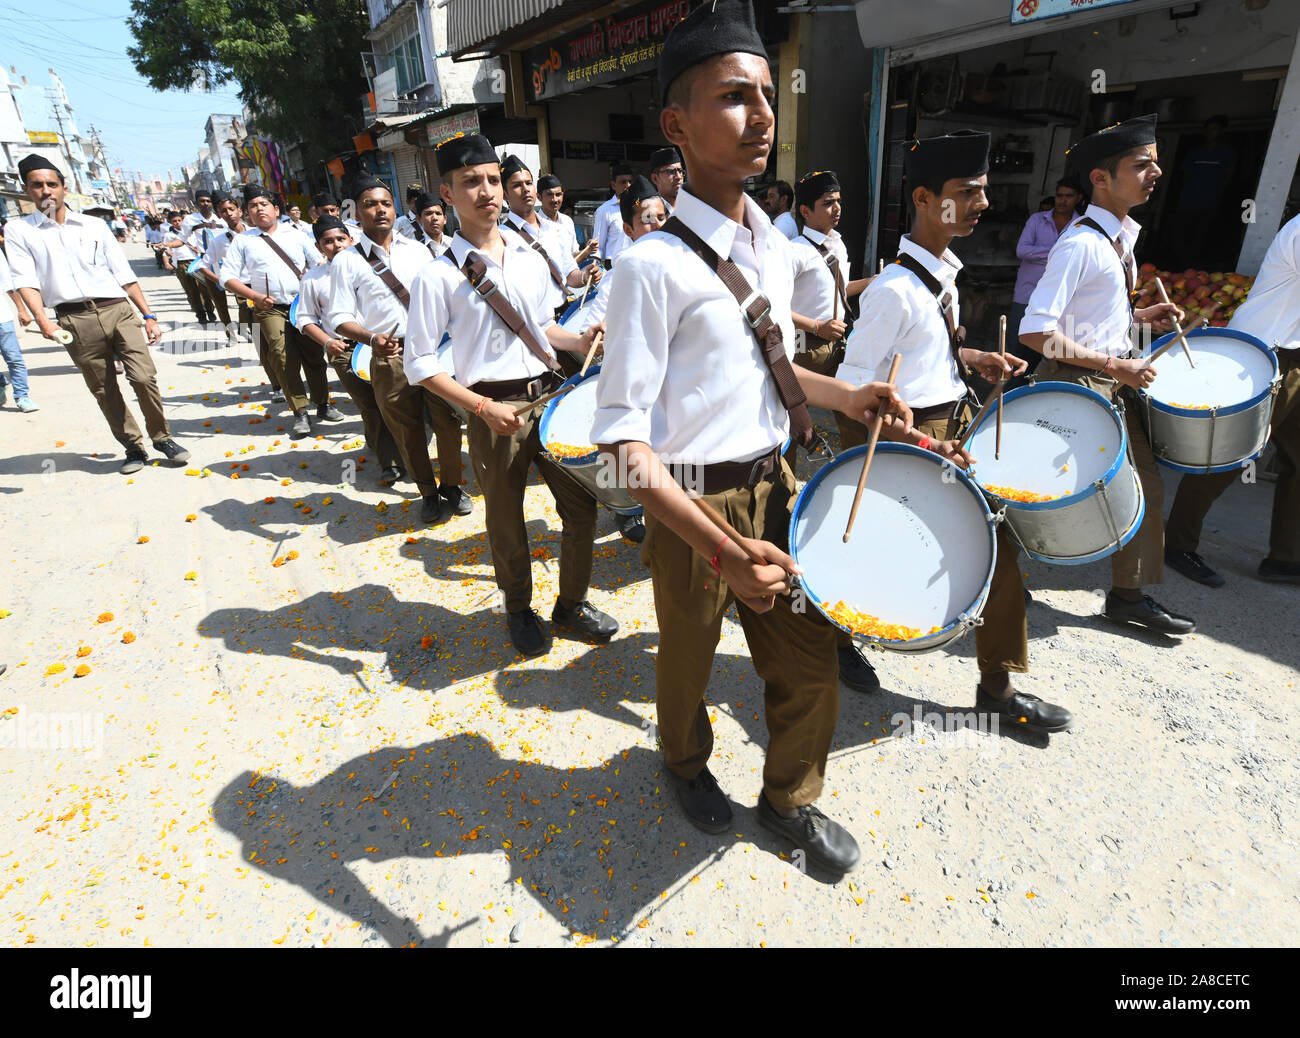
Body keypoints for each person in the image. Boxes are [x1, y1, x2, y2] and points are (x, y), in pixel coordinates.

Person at [591, 1, 913, 873]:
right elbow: (622, 445)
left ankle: (786, 803)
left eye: (768, 94)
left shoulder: (771, 245)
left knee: (809, 662)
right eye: (734, 97)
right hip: (690, 499)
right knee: (686, 663)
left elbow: (769, 372)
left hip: (775, 488)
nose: (762, 116)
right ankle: (685, 762)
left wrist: (849, 390)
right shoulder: (647, 268)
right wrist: (719, 548)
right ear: (677, 126)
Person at [839, 131, 1079, 734]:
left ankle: (995, 688)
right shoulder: (893, 290)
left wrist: (970, 358)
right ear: (925, 198)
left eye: (984, 191)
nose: (982, 203)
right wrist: (919, 441)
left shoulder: (941, 274)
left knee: (993, 553)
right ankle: (833, 633)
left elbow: (919, 353)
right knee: (874, 551)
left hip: (949, 427)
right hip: (906, 441)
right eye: (966, 192)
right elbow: (852, 392)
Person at [404, 132, 614, 658]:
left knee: (581, 506)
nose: (487, 191)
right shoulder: (437, 276)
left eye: (493, 180)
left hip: (549, 399)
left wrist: (581, 339)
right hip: (493, 408)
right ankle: (519, 608)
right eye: (470, 182)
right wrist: (480, 407)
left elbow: (544, 327)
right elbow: (420, 363)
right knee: (506, 516)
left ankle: (571, 605)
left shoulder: (525, 255)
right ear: (447, 194)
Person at [1019, 114, 1196, 635]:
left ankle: (1127, 596)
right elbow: (1036, 332)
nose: (1155, 173)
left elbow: (1093, 318)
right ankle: (996, 574)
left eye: (1157, 163)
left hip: (1109, 383)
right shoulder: (1081, 243)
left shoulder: (1120, 239)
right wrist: (1115, 363)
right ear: (1100, 177)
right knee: (1035, 493)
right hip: (1075, 384)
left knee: (1146, 488)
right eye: (1142, 165)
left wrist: (1140, 319)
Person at [7, 154, 188, 473]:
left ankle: (162, 437)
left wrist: (148, 315)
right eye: (37, 185)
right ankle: (134, 448)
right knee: (104, 388)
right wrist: (43, 320)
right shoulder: (19, 231)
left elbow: (123, 273)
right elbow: (25, 280)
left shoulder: (93, 225)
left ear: (64, 187)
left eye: (52, 184)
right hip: (73, 319)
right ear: (27, 190)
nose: (46, 191)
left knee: (144, 377)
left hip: (117, 309)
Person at [1164, 213, 1300, 587]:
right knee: (1229, 454)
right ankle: (1176, 544)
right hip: (1265, 358)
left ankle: (1286, 558)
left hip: (1294, 358)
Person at [329, 175, 467, 522]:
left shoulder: (418, 250)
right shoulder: (347, 261)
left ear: (396, 210)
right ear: (357, 213)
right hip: (388, 359)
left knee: (449, 423)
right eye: (370, 204)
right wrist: (371, 338)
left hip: (432, 353)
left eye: (385, 204)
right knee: (408, 431)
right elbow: (339, 317)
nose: (379, 210)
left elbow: (446, 298)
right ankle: (427, 492)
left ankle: (451, 485)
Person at [220, 183, 341, 436]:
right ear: (247, 213)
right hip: (269, 308)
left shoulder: (296, 234)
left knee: (314, 357)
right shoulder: (243, 241)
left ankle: (323, 404)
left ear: (275, 209)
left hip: (304, 305)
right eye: (253, 206)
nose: (259, 210)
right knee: (284, 359)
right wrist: (254, 296)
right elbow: (227, 278)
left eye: (263, 204)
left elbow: (318, 261)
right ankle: (299, 411)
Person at [294, 214, 404, 486]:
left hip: (383, 347)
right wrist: (327, 342)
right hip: (345, 351)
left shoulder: (368, 266)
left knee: (393, 402)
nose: (336, 245)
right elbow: (305, 318)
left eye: (341, 239)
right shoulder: (313, 278)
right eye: (328, 242)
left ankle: (405, 450)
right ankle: (389, 463)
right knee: (370, 405)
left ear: (351, 239)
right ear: (319, 248)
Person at [499, 155, 596, 325]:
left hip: (562, 313)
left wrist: (585, 276)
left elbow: (569, 274)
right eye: (516, 185)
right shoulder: (501, 237)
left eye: (528, 183)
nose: (525, 189)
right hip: (531, 323)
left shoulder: (555, 229)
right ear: (504, 195)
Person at [1008, 178, 1085, 386]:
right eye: (1060, 195)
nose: (1062, 200)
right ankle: (1006, 403)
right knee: (1017, 354)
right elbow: (1022, 250)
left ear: (1078, 198)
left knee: (1049, 357)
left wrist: (1042, 253)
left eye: (1068, 196)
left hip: (1061, 304)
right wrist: (1057, 253)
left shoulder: (1081, 226)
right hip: (1025, 296)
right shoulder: (1036, 220)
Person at [199, 191, 260, 348]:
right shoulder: (220, 241)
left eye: (231, 209)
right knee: (253, 320)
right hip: (242, 286)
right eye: (224, 211)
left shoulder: (256, 233)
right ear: (219, 215)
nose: (229, 214)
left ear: (239, 210)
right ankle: (264, 354)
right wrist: (221, 281)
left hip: (262, 283)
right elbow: (203, 265)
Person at [181, 189, 232, 331]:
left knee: (242, 300)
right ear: (196, 203)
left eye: (208, 201)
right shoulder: (190, 220)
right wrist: (168, 245)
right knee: (220, 301)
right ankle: (230, 333)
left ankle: (251, 329)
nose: (205, 204)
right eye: (202, 201)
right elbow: (181, 239)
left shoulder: (222, 218)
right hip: (208, 263)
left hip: (228, 262)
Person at [0, 243, 37, 411]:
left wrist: (22, 309)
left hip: (2, 318)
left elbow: (8, 282)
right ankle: (1, 383)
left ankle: (22, 396)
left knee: (13, 358)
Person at [160, 209, 209, 323]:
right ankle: (201, 315)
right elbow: (165, 250)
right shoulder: (169, 235)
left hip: (196, 262)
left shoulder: (192, 231)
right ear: (170, 222)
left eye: (179, 220)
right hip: (182, 263)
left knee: (204, 289)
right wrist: (167, 261)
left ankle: (210, 311)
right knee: (192, 291)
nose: (177, 223)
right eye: (174, 221)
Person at [537, 174, 596, 264]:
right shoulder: (535, 224)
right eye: (550, 195)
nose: (555, 199)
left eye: (558, 194)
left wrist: (587, 250)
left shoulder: (567, 221)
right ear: (539, 197)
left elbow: (574, 256)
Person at [592, 162, 636, 266]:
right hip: (613, 266)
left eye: (630, 181)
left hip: (636, 264)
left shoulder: (639, 206)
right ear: (613, 185)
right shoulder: (604, 210)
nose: (627, 185)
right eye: (623, 182)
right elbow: (598, 247)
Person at [408, 192, 450, 257]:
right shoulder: (413, 249)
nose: (435, 218)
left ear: (445, 219)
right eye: (429, 213)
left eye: (438, 213)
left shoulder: (454, 244)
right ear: (419, 219)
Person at [648, 146, 685, 214]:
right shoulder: (650, 212)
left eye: (680, 171)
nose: (679, 177)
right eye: (671, 171)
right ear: (655, 179)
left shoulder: (689, 208)